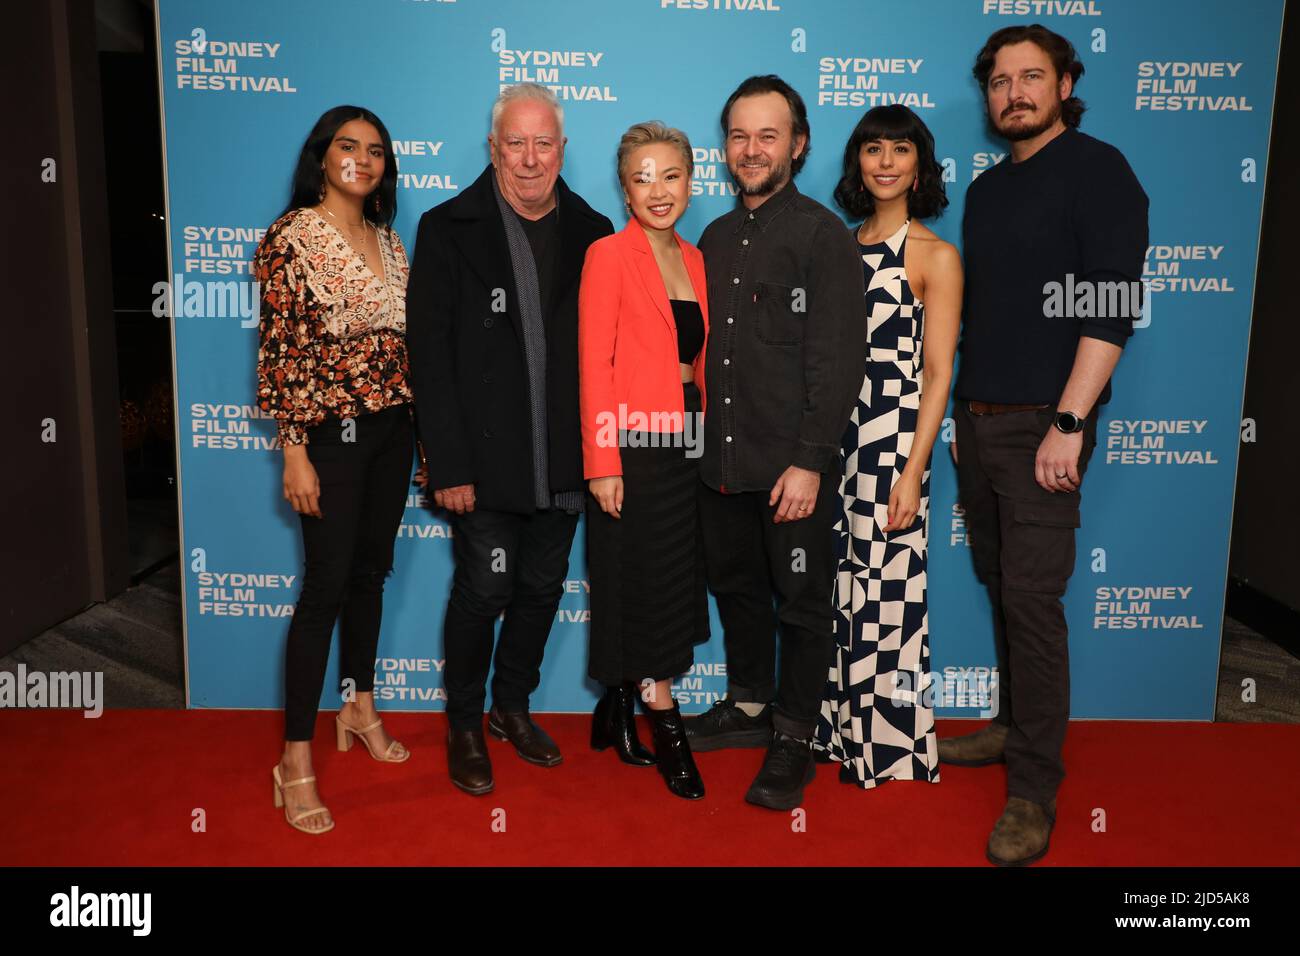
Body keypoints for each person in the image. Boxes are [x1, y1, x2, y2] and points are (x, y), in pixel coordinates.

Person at [946, 24, 1148, 866]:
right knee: (1000, 585)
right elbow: (988, 316)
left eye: (1032, 77)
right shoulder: (988, 192)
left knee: (1033, 602)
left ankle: (1033, 789)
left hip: (1045, 427)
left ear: (1067, 83)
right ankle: (1010, 725)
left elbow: (1109, 309)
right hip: (982, 420)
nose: (1013, 93)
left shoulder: (1100, 171)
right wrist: (965, 415)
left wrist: (1068, 423)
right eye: (999, 81)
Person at [405, 83, 614, 796]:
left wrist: (604, 455)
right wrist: (449, 463)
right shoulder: (446, 227)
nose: (529, 159)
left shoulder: (595, 232)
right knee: (484, 587)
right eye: (515, 143)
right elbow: (428, 357)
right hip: (483, 462)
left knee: (540, 589)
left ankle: (511, 707)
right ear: (493, 149)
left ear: (562, 150)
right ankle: (464, 721)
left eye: (543, 143)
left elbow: (611, 354)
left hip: (562, 457)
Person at [683, 75, 867, 810]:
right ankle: (751, 707)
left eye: (768, 135)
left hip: (790, 467)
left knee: (801, 605)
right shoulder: (714, 238)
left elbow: (836, 357)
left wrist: (810, 460)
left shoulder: (822, 237)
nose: (751, 149)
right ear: (724, 147)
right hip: (720, 464)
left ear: (798, 143)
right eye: (738, 135)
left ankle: (794, 737)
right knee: (736, 591)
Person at [255, 105, 415, 835]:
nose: (362, 158)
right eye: (347, 146)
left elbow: (403, 349)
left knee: (369, 577)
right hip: (331, 438)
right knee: (324, 587)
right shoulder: (291, 237)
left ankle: (357, 703)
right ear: (322, 156)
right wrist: (294, 448)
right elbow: (281, 349)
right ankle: (294, 758)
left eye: (375, 149)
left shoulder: (387, 238)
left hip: (394, 432)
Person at [815, 105, 962, 790]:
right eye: (872, 149)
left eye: (899, 150)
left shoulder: (934, 255)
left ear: (918, 164)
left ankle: (889, 748)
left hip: (891, 442)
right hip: (833, 442)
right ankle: (838, 732)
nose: (884, 162)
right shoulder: (839, 245)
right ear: (858, 162)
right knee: (841, 592)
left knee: (890, 596)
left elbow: (938, 375)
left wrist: (913, 469)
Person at [579, 121, 711, 800]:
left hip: (686, 443)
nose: (658, 191)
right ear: (624, 188)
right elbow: (594, 365)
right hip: (631, 444)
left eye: (671, 176)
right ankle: (666, 723)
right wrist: (603, 460)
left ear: (691, 180)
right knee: (642, 583)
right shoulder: (608, 254)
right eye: (642, 177)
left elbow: (698, 360)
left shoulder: (695, 259)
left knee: (670, 580)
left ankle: (617, 708)